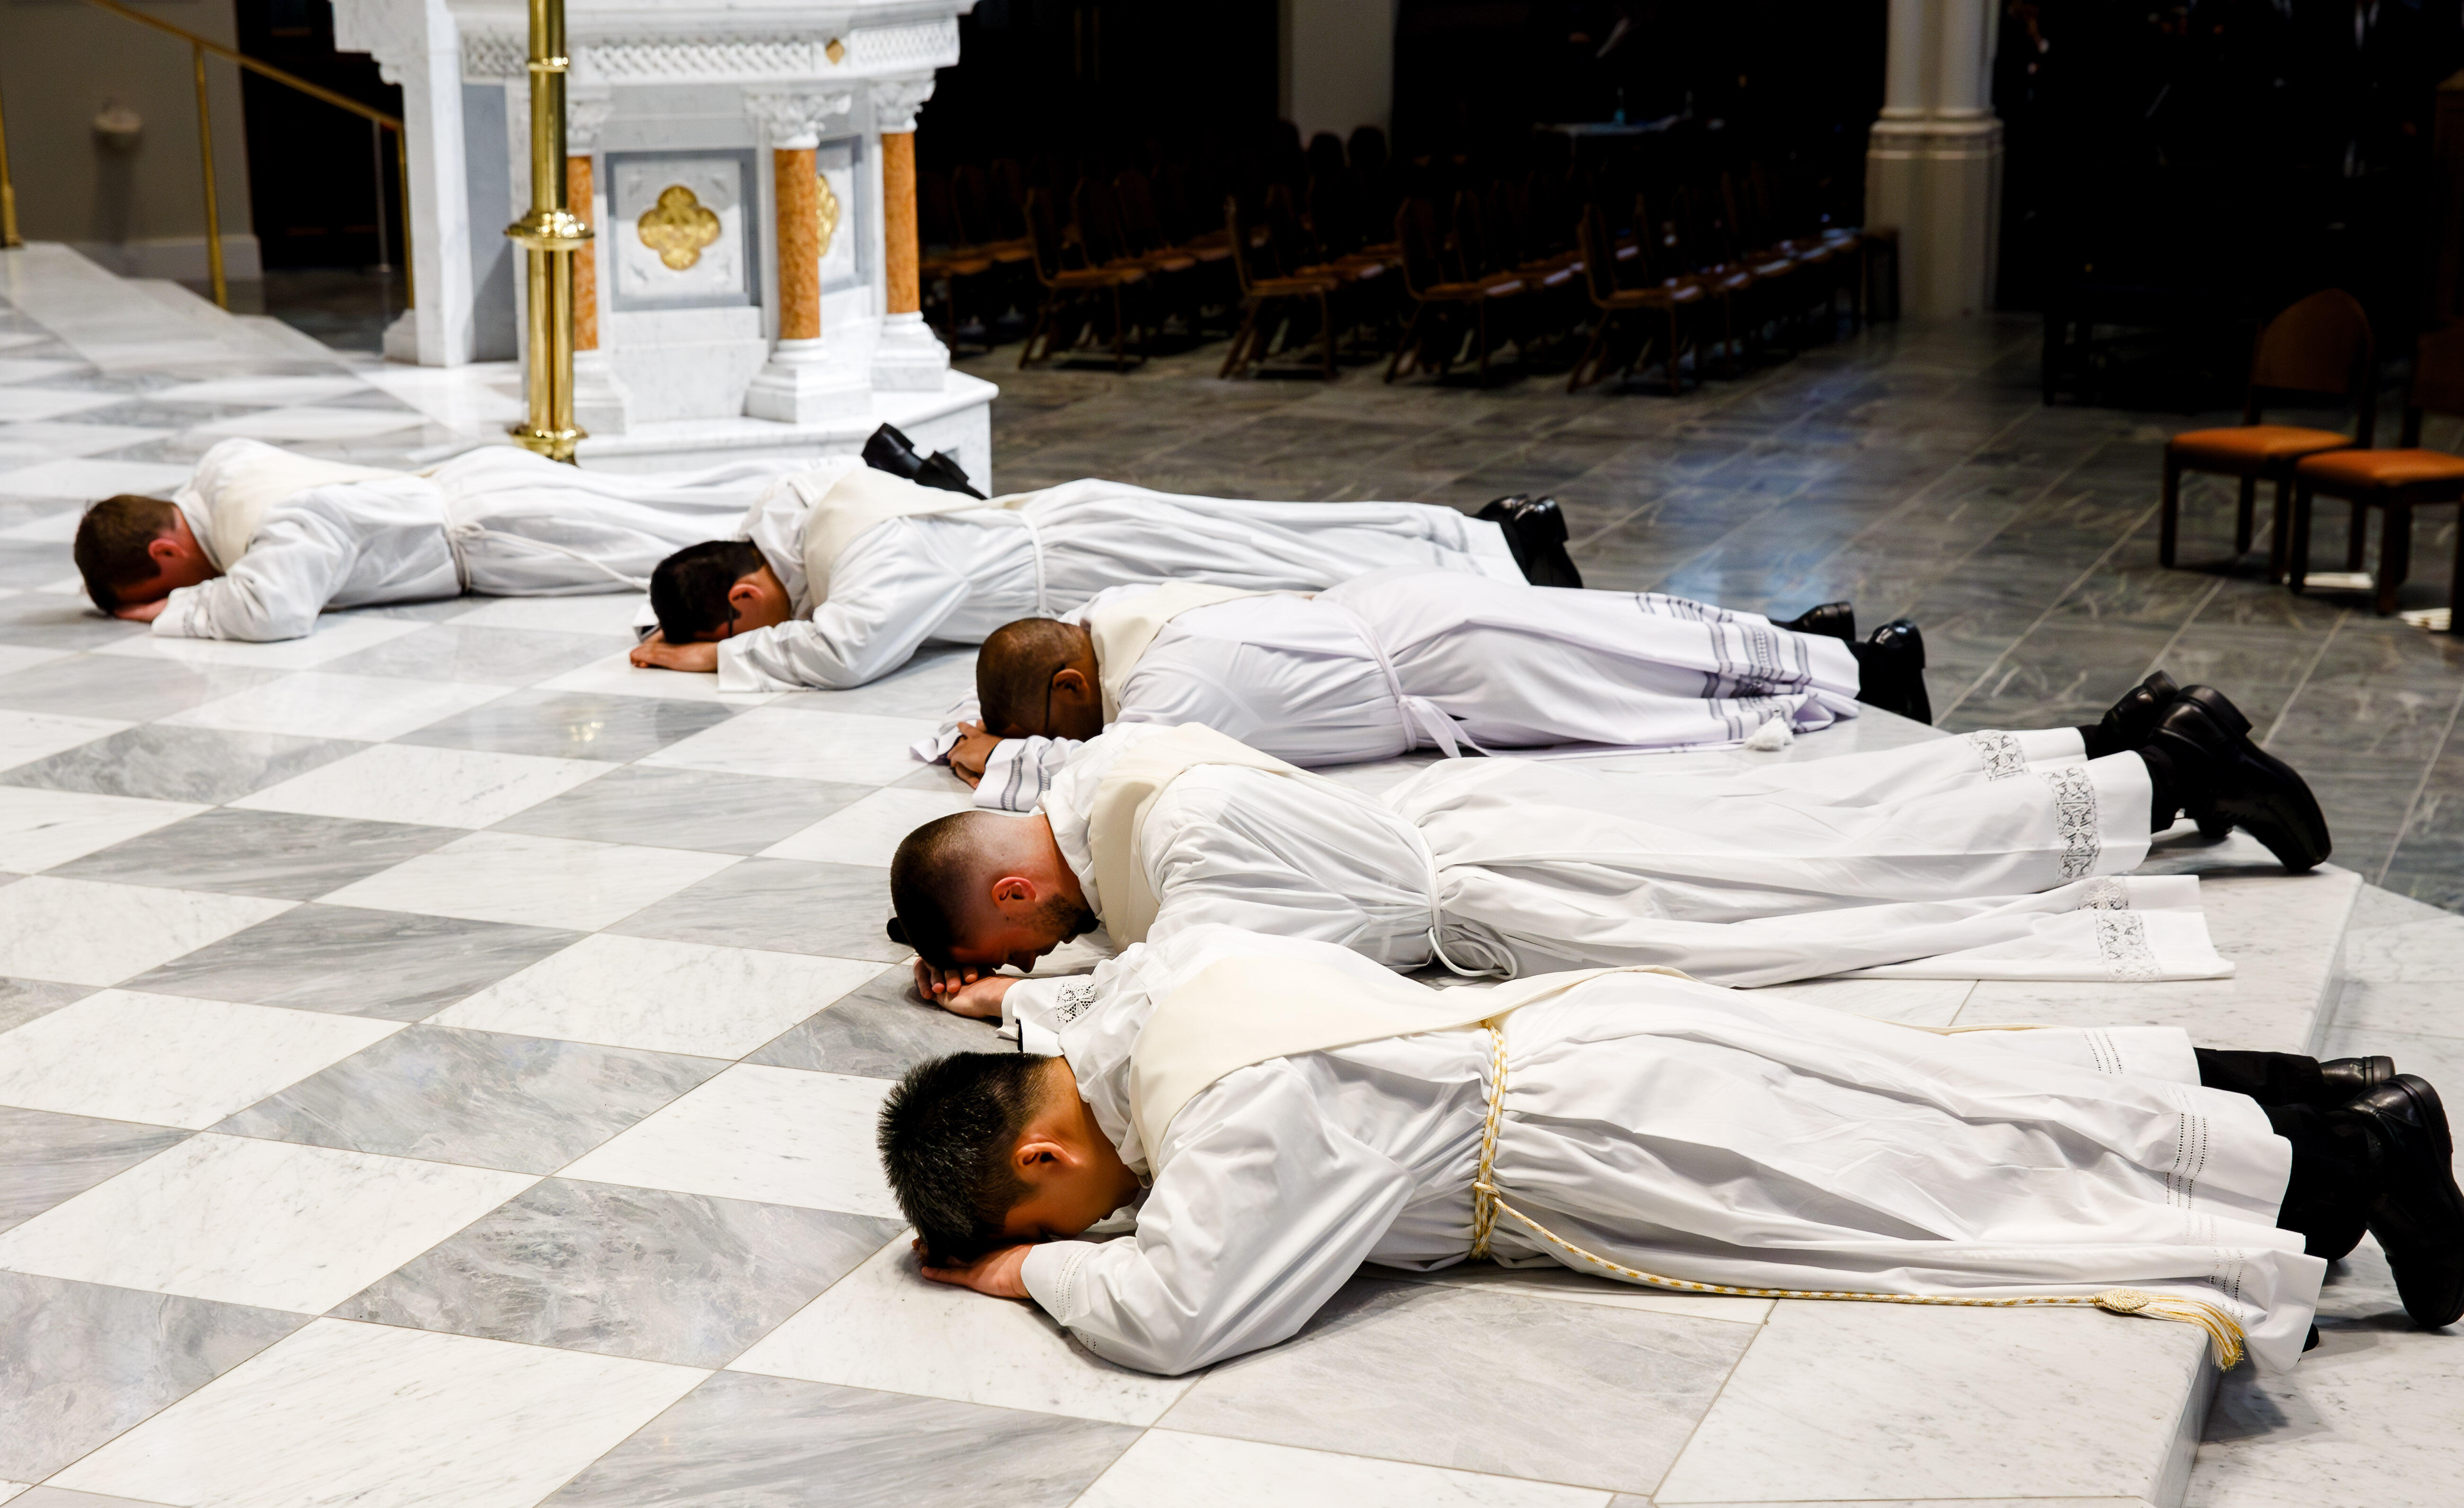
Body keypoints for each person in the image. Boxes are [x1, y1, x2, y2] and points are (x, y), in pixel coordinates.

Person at [877, 923, 2464, 1377]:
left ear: (1036, 1170)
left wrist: (1034, 1277)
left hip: (1617, 1133)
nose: (1117, 1210)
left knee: (1959, 1186)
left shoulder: (1235, 1113)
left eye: (1075, 1204)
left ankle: (2339, 1172)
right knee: (1966, 1105)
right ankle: (2319, 1120)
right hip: (1605, 1031)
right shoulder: (1177, 996)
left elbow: (1182, 1315)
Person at [887, 673, 2331, 1001]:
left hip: (1511, 885)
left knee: (1840, 878)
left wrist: (1033, 1007)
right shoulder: (1121, 772)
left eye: (1008, 932)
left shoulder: (1171, 856)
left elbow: (1215, 972)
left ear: (1014, 889)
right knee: (1817, 817)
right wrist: (1053, 981)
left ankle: (2159, 777)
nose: (1035, 943)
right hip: (1469, 825)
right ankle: (2137, 758)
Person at [929, 573, 1929, 809]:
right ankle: (1816, 645)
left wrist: (1003, 759)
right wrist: (1006, 726)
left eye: (1058, 717)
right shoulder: (1122, 614)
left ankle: (1867, 673)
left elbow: (1116, 776)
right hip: (1408, 620)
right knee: (1625, 632)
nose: (1077, 728)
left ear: (1072, 684)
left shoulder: (1165, 685)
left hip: (1445, 667)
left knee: (1634, 694)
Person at [623, 457, 1559, 692]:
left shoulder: (868, 556)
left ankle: (1497, 562)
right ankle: (1466, 538)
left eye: (750, 627)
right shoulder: (802, 507)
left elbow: (846, 653)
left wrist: (705, 662)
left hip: (1083, 553)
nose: (768, 633)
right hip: (1073, 522)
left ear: (747, 594)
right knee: (1271, 539)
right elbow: (758, 533)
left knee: (1277, 566)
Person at [73, 437, 787, 641]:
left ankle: (804, 531)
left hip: (496, 533)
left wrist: (179, 614)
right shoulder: (223, 469)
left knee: (680, 541)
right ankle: (801, 499)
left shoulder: (271, 523)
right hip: (481, 490)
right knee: (671, 508)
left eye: (166, 583)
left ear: (166, 552)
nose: (184, 589)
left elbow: (274, 611)